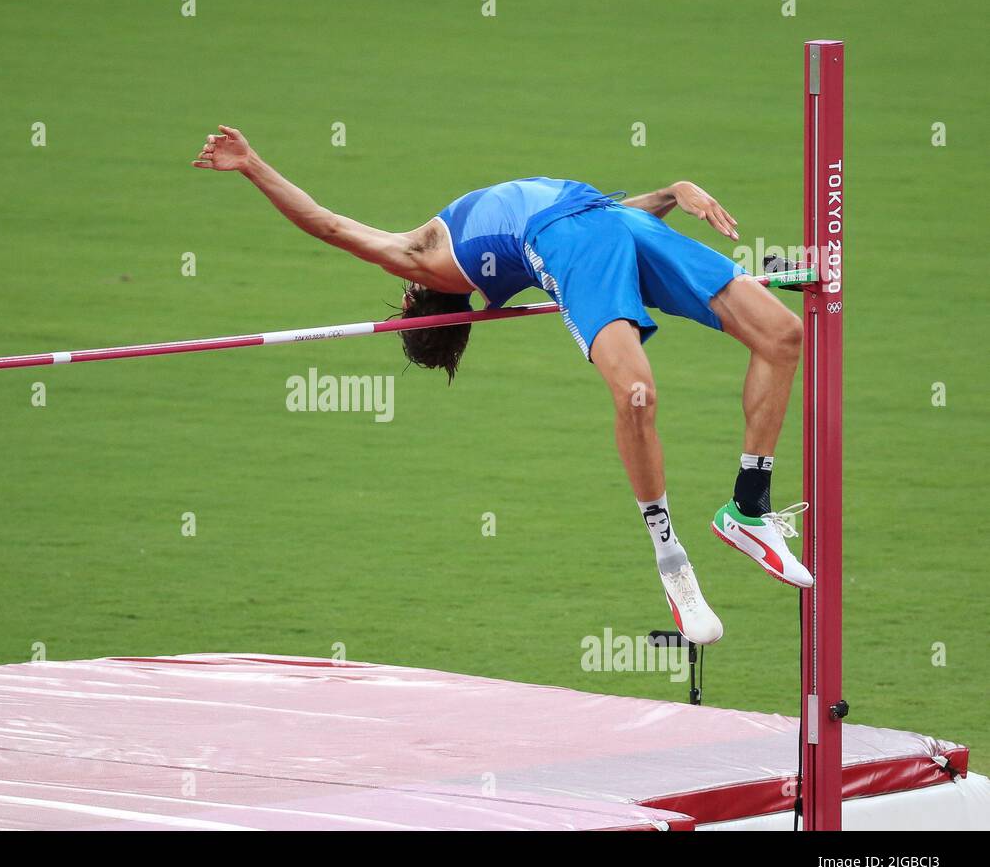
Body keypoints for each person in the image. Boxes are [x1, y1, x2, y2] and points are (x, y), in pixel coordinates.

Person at [194, 126, 813, 644]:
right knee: (635, 394)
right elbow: (329, 226)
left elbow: (603, 219)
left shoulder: (460, 249)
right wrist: (252, 165)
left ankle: (748, 509)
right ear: (418, 297)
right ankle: (671, 562)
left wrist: (672, 191)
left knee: (783, 336)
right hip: (570, 245)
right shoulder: (423, 250)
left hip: (605, 219)